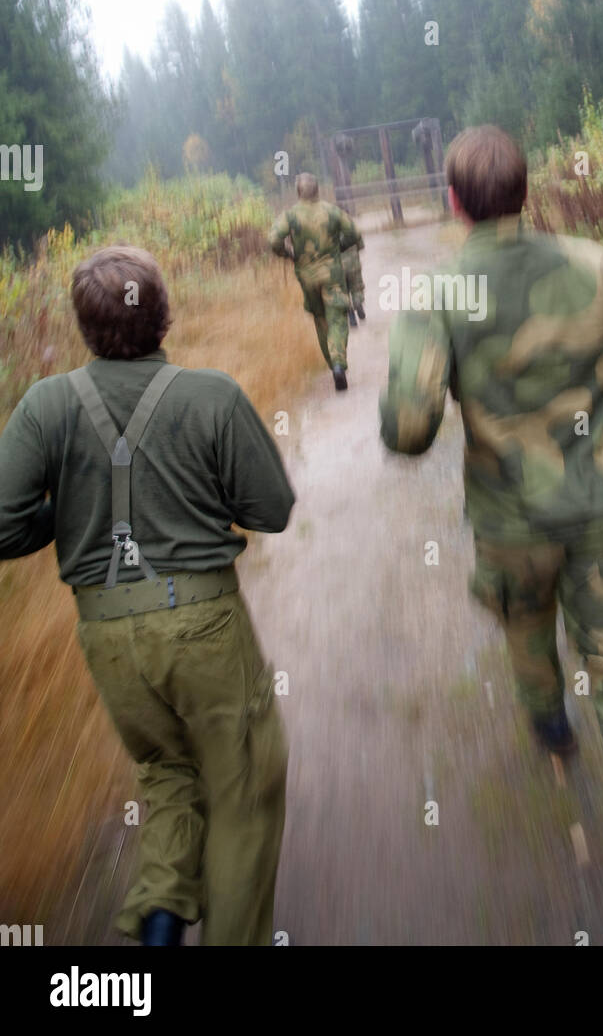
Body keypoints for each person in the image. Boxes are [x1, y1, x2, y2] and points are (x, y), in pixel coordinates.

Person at [379, 125, 603, 947]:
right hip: (601, 508)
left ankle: (548, 724)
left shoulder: (438, 295)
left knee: (527, 625)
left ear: (455, 200)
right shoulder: (591, 262)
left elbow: (407, 431)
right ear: (525, 190)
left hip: (512, 525)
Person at [0, 245, 293, 946]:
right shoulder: (212, 395)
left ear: (83, 324)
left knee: (167, 773)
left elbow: (4, 525)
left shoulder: (44, 405)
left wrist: (69, 511)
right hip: (203, 628)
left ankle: (161, 922)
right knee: (243, 788)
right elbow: (272, 509)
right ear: (162, 315)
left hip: (106, 636)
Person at [269, 173, 363, 391]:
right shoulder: (331, 211)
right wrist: (339, 247)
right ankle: (339, 363)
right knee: (337, 317)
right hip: (332, 274)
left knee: (321, 320)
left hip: (307, 276)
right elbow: (354, 233)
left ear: (298, 192)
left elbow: (273, 239)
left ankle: (332, 366)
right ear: (318, 189)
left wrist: (288, 253)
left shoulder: (290, 215)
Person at [342, 242, 366, 327]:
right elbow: (361, 245)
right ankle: (358, 305)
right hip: (353, 264)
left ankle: (352, 318)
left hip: (339, 268)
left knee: (344, 292)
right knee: (356, 288)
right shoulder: (350, 228)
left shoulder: (327, 230)